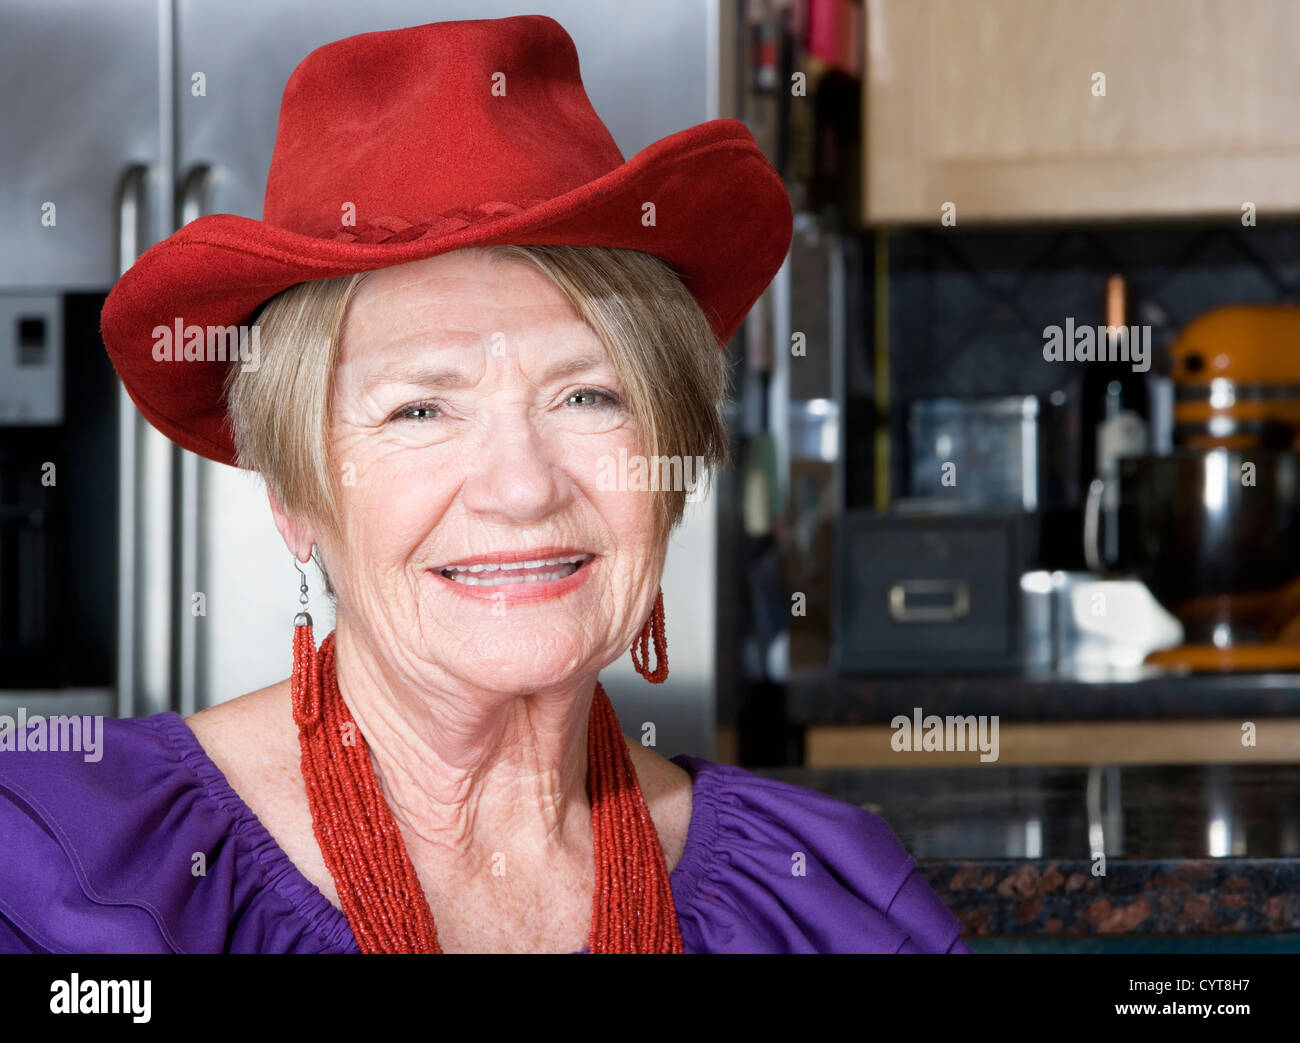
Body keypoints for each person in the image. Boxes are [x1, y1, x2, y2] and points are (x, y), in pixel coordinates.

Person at [0, 15, 969, 954]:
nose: (520, 487)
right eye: (418, 410)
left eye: (589, 395)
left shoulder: (818, 898)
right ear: (294, 499)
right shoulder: (55, 869)